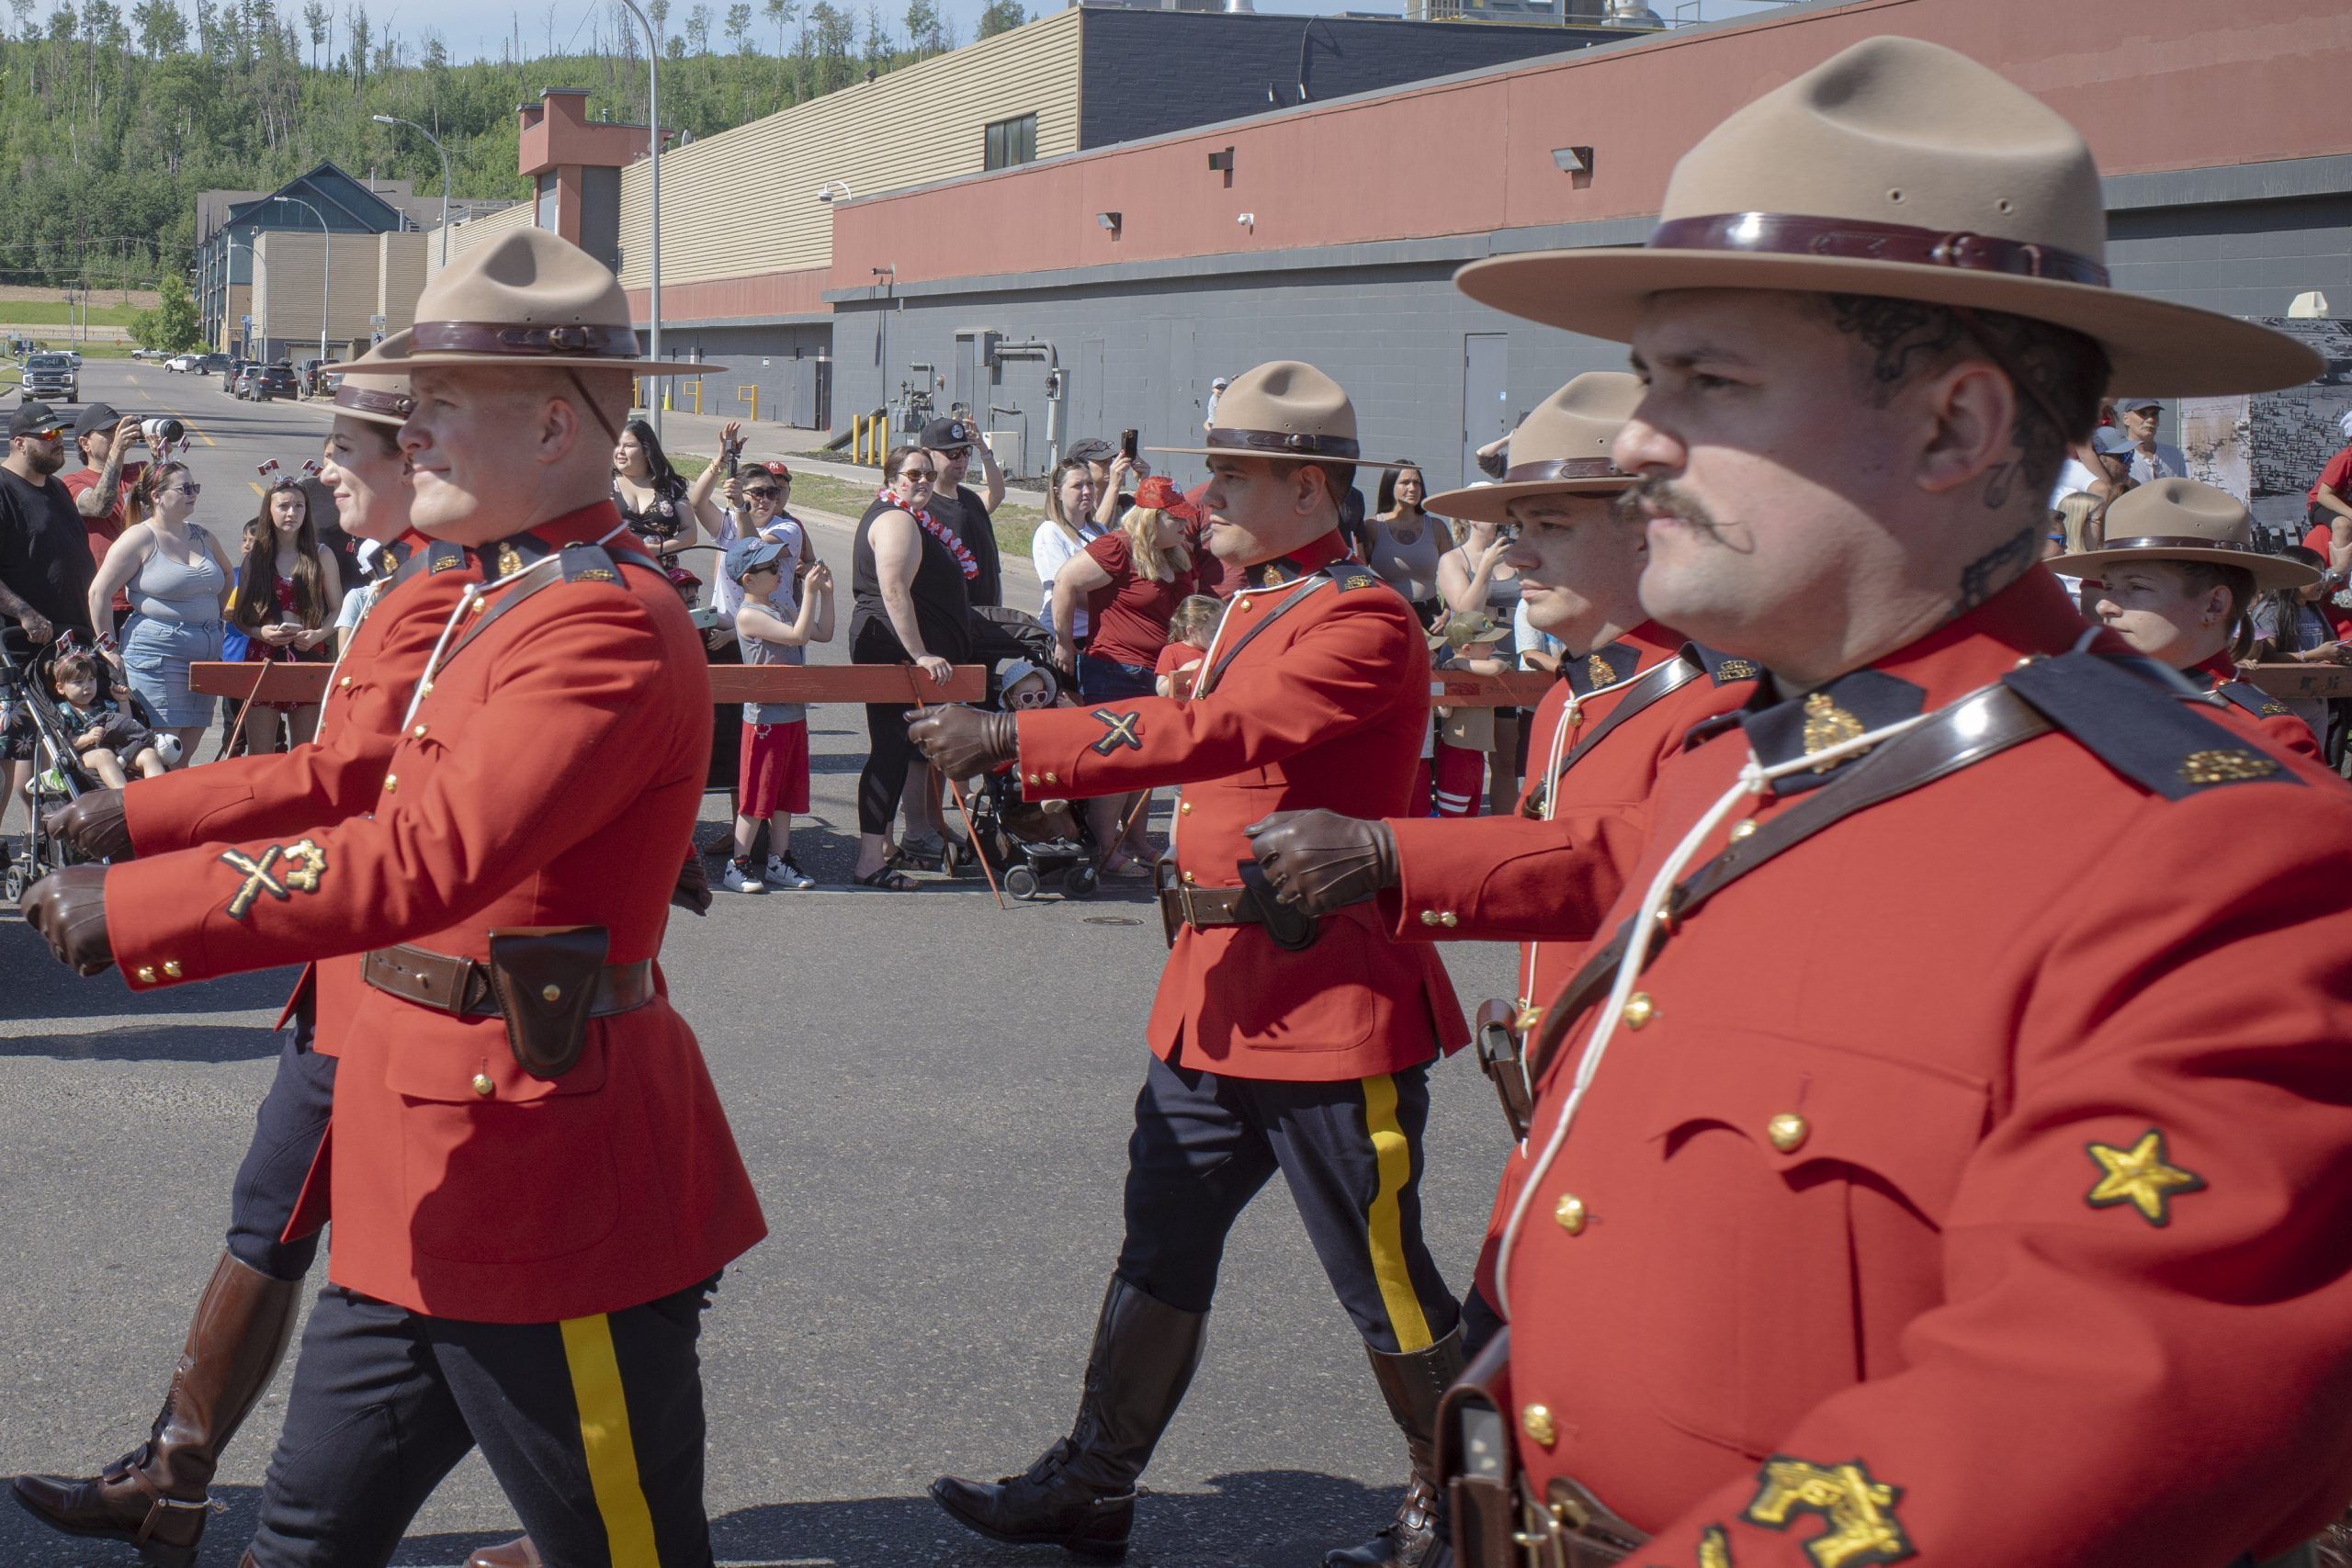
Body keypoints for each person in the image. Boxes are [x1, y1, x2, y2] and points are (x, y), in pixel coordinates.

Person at [1375, 35, 2352, 1567]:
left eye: (1708, 381)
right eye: (1650, 378)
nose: (1636, 440)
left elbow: (2089, 1410)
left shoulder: (2212, 854)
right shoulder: (1748, 758)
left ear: (1956, 430)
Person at [21, 225, 766, 1568]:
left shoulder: (592, 621)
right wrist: (139, 832)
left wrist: (142, 909)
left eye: (435, 403)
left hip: (547, 1183)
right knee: (303, 1534)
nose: (403, 428)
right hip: (423, 1156)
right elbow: (360, 779)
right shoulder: (499, 595)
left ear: (552, 424)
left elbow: (421, 853)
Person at [910, 360, 1469, 1568]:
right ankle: (1095, 1481)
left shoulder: (1361, 615)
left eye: (1234, 472)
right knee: (1160, 1242)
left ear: (1309, 486)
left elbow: (1211, 731)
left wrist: (1014, 737)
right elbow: (1193, 707)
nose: (1205, 488)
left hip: (1327, 993)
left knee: (1382, 1273)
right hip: (1220, 992)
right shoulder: (1266, 601)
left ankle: (1470, 1497)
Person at [11, 371, 556, 1568]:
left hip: (403, 977)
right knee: (286, 1221)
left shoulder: (444, 592)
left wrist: (146, 833)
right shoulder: (418, 581)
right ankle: (179, 1469)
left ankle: (579, 1523)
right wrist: (145, 811)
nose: (326, 470)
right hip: (363, 971)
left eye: (354, 445)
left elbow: (347, 786)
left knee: (473, 1295)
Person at [1248, 375, 1759, 1567]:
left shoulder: (1716, 703)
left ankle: (1459, 1521)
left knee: (1604, 1422)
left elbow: (1617, 862)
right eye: (1509, 521)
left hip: (1652, 1129)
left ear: (1651, 528)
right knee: (1495, 1380)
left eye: (1549, 522)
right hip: (1554, 1116)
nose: (1510, 550)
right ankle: (1454, 1518)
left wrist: (1387, 851)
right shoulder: (1564, 705)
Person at [2053, 477, 2323, 759]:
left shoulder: (2270, 737)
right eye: (2108, 587)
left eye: (2136, 586)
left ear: (2214, 605)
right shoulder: (2086, 703)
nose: (2105, 606)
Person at [1049, 473, 1198, 874]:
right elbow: (1065, 580)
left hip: (1158, 672)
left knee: (1146, 764)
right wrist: (1064, 642)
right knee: (1117, 763)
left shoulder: (1174, 552)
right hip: (1115, 668)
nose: (1185, 525)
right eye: (1176, 518)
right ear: (1152, 518)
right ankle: (1106, 850)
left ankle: (1135, 842)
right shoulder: (1118, 547)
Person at [850, 442, 972, 888]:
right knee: (889, 752)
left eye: (926, 473)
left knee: (898, 751)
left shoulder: (906, 516)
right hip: (890, 649)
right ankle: (868, 862)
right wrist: (920, 653)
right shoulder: (897, 520)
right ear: (892, 481)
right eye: (912, 474)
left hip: (892, 645)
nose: (922, 481)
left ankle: (881, 848)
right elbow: (894, 591)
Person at [85, 460, 233, 766]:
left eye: (195, 487)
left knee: (186, 752)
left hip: (204, 657)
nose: (193, 494)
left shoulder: (202, 535)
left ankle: (176, 812)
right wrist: (108, 647)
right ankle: (152, 811)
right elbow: (98, 593)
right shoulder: (139, 537)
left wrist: (212, 617)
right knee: (164, 750)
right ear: (156, 496)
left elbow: (227, 575)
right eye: (185, 488)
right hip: (158, 656)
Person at [2, 400, 102, 840]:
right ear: (19, 442)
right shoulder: (3, 489)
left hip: (64, 644)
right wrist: (24, 611)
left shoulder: (57, 489)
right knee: (7, 752)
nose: (57, 441)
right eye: (48, 436)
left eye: (59, 434)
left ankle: (39, 843)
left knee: (50, 754)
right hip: (16, 648)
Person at [722, 534, 833, 894]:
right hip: (765, 719)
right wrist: (811, 593)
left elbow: (823, 633)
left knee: (786, 792)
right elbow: (799, 637)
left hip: (792, 714)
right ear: (748, 580)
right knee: (757, 795)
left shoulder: (781, 608)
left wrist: (827, 593)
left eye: (778, 565)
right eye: (770, 567)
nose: (779, 571)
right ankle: (737, 863)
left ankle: (779, 858)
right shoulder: (748, 615)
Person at [225, 476, 344, 751]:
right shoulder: (255, 558)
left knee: (305, 754)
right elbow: (240, 617)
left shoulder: (321, 554)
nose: (292, 513)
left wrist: (318, 635)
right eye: (284, 506)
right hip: (262, 660)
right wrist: (260, 632)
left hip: (308, 659)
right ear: (269, 509)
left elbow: (338, 610)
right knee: (260, 755)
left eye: (299, 506)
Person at [1436, 514, 1528, 815]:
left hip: (1516, 658)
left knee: (1506, 759)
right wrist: (1486, 567)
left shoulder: (1514, 553)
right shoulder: (1455, 558)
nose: (1498, 519)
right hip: (1475, 664)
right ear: (1472, 520)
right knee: (1470, 750)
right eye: (1488, 514)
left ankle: (1506, 828)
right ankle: (1459, 826)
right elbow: (1465, 612)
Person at [2249, 544, 2342, 741]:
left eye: (2323, 574)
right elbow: (2267, 657)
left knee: (2315, 761)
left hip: (2316, 698)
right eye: (2316, 574)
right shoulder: (2271, 610)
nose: (2322, 581)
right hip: (2284, 701)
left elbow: (2329, 645)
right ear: (2293, 575)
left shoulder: (2314, 609)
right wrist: (2312, 656)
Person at [47, 646, 167, 786]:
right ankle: (124, 795)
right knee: (104, 755)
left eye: (91, 679)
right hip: (88, 755)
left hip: (119, 750)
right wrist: (87, 738)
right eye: (78, 682)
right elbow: (65, 744)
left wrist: (123, 701)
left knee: (149, 754)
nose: (87, 686)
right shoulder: (63, 711)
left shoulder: (103, 705)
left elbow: (126, 725)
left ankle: (159, 793)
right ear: (61, 688)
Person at [922, 414, 1007, 609]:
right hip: (953, 614)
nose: (961, 459)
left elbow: (997, 493)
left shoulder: (971, 499)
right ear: (927, 454)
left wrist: (982, 449)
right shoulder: (923, 505)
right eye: (952, 453)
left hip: (988, 611)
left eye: (966, 451)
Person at [62, 403, 148, 576]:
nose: (116, 436)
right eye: (108, 431)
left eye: (118, 430)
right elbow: (99, 507)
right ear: (85, 443)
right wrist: (117, 449)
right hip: (105, 592)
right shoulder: (72, 482)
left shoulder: (140, 470)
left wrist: (162, 457)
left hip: (145, 586)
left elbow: (172, 504)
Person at [1363, 462, 1449, 627]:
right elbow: (1360, 575)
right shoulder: (1373, 526)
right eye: (1405, 482)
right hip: (1388, 614)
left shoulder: (1436, 527)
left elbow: (1453, 574)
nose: (1413, 488)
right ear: (1390, 485)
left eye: (1417, 482)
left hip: (1430, 617)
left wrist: (1446, 615)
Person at [1031, 455, 1105, 639]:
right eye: (1077, 486)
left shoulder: (1100, 530)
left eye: (1090, 484)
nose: (1087, 491)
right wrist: (1117, 608)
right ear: (1058, 493)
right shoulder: (1050, 532)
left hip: (1095, 633)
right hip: (1065, 637)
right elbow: (1065, 589)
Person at [1154, 592, 1223, 697]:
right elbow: (1162, 692)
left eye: (1222, 629)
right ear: (1191, 631)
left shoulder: (1221, 650)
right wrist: (1184, 671)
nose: (1220, 635)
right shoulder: (1172, 651)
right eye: (1214, 631)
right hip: (1186, 710)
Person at [2117, 394, 2188, 484]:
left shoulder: (2174, 454)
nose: (2151, 420)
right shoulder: (2117, 455)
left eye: (2154, 414)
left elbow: (2183, 491)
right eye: (2142, 413)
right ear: (2126, 419)